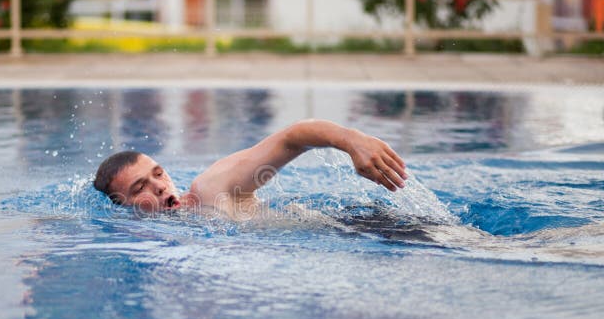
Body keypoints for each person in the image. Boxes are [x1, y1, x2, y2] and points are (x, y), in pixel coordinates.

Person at [93, 119, 408, 220]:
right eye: (140, 188)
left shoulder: (210, 189)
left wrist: (353, 141)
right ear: (122, 207)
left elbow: (292, 138)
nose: (159, 186)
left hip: (366, 227)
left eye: (158, 174)